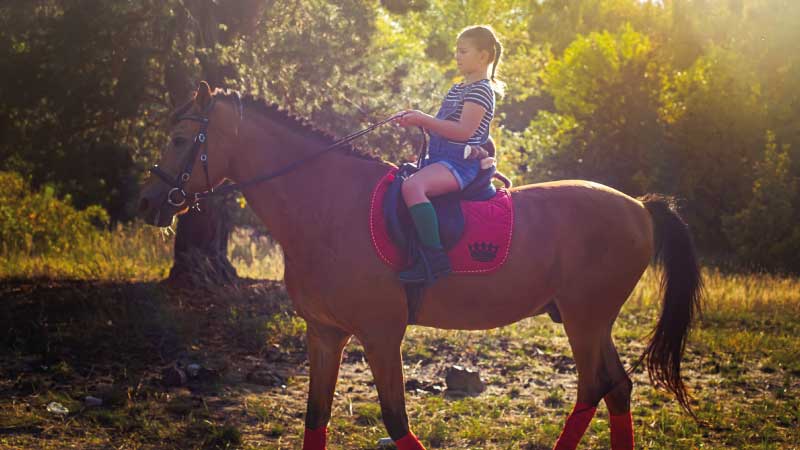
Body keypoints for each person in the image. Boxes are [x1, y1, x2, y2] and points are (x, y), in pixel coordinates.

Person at [393, 25, 504, 284]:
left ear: (483, 56)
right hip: (440, 158)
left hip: (460, 163)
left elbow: (464, 132)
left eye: (464, 51)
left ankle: (434, 258)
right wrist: (415, 119)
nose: (457, 55)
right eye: (457, 50)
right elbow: (444, 124)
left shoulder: (481, 90)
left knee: (413, 187)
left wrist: (425, 119)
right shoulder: (458, 88)